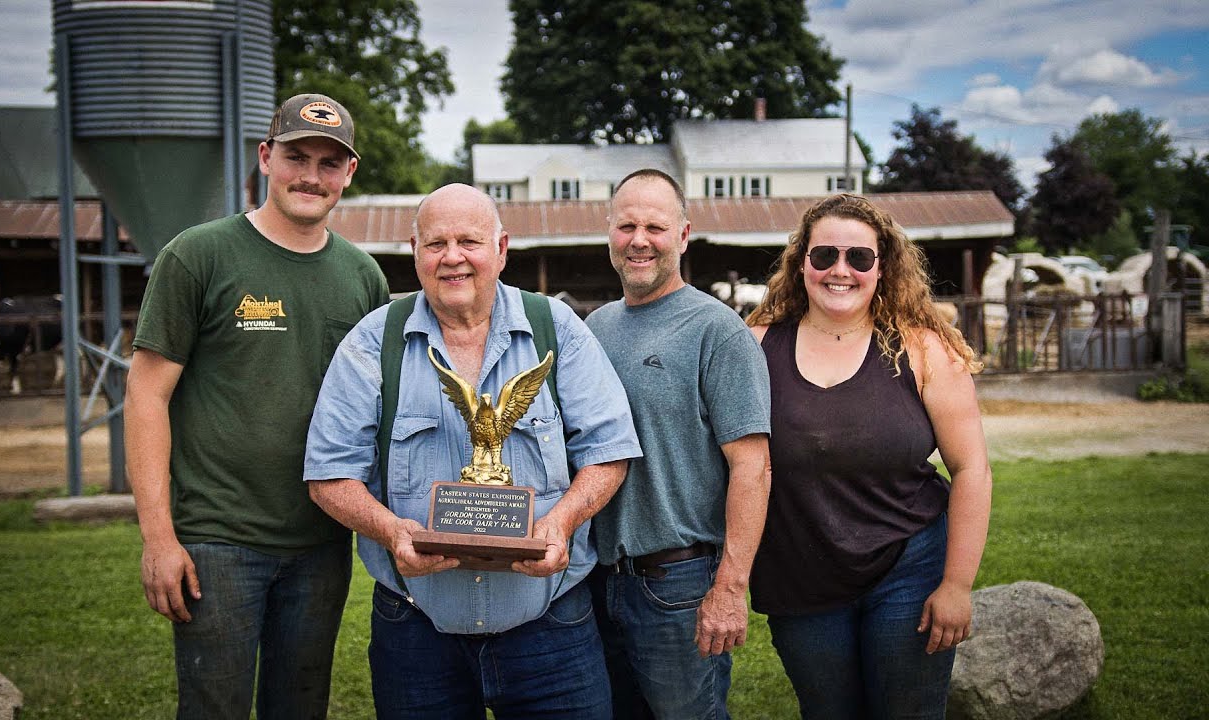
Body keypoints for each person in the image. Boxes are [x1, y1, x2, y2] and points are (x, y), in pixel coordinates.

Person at [303, 183, 642, 719]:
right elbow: (327, 474)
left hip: (551, 629)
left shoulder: (557, 331)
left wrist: (560, 524)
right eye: (435, 243)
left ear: (501, 249)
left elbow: (610, 451)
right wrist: (393, 531)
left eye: (469, 241)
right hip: (416, 634)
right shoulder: (374, 343)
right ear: (414, 251)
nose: (452, 257)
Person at [124, 93, 389, 719]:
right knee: (213, 708)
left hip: (320, 541)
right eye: (297, 156)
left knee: (299, 708)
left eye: (330, 163)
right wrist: (159, 538)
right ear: (266, 158)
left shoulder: (363, 278)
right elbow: (145, 395)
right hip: (218, 540)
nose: (311, 176)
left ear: (348, 174)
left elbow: (377, 412)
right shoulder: (199, 255)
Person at [744, 194, 992, 719]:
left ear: (883, 267)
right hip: (799, 575)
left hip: (910, 567)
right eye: (824, 255)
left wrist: (956, 584)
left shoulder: (922, 350)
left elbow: (971, 468)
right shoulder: (754, 346)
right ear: (802, 263)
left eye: (859, 258)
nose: (841, 270)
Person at [585, 168, 772, 719]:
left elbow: (753, 468)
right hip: (599, 578)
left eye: (655, 227)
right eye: (626, 226)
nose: (639, 240)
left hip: (680, 582)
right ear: (610, 235)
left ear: (683, 235)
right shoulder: (594, 328)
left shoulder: (718, 331)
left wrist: (730, 588)